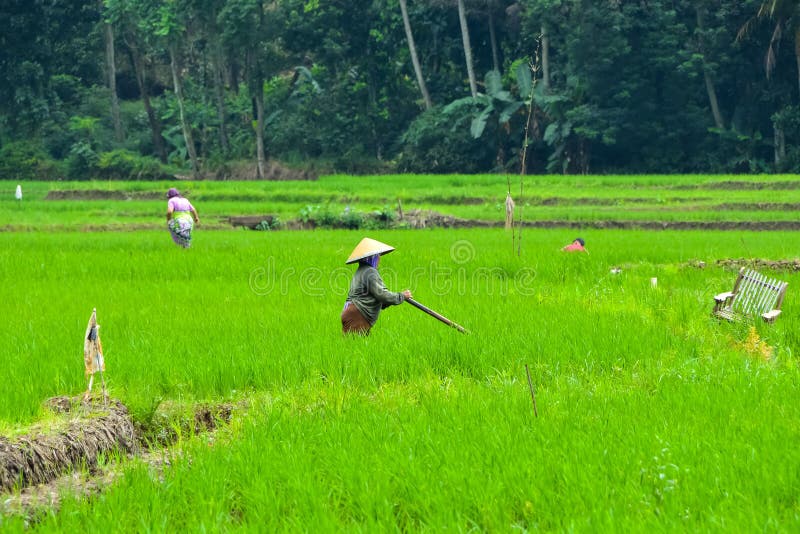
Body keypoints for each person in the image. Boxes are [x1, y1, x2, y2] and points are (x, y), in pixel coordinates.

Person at [341, 237, 412, 335]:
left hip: (354, 313)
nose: (379, 259)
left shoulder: (361, 271)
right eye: (377, 256)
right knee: (353, 346)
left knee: (359, 347)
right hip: (358, 314)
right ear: (372, 257)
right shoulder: (369, 272)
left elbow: (379, 300)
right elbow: (382, 295)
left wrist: (396, 298)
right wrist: (402, 296)